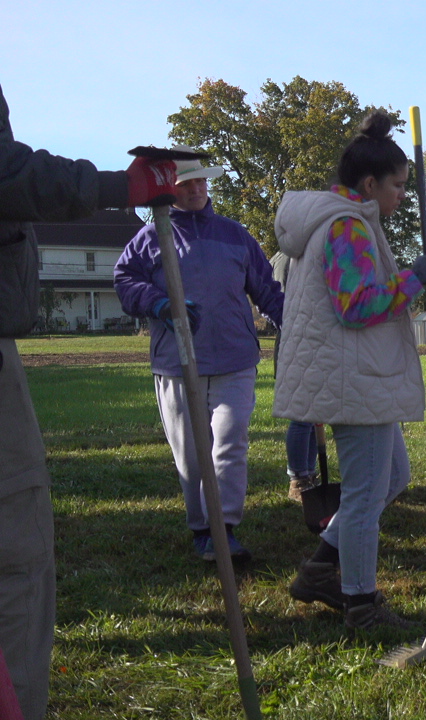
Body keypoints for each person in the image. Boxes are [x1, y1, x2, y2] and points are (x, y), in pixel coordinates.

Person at [1, 83, 177, 720]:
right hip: (177, 365)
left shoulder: (224, 235)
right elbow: (5, 171)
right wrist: (118, 188)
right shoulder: (143, 243)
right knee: (15, 559)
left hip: (234, 363)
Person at [274, 110, 426, 630]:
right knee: (367, 494)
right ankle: (361, 604)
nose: (400, 196)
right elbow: (358, 305)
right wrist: (415, 278)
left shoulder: (345, 220)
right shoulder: (346, 226)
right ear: (369, 184)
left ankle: (322, 567)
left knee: (394, 475)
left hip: (357, 374)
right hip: (353, 377)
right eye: (396, 186)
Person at [114, 147, 285, 563]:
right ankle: (201, 531)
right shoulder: (152, 236)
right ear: (169, 187)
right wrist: (158, 303)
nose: (194, 189)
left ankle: (222, 530)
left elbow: (266, 288)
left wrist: (295, 326)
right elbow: (124, 281)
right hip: (177, 363)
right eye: (185, 182)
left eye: (200, 181)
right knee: (191, 454)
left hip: (234, 360)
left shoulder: (234, 234)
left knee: (229, 443)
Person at [270, 250, 322, 502]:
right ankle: (299, 478)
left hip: (305, 339)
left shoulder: (284, 255)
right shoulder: (292, 255)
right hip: (297, 341)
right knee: (303, 415)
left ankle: (309, 474)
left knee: (312, 415)